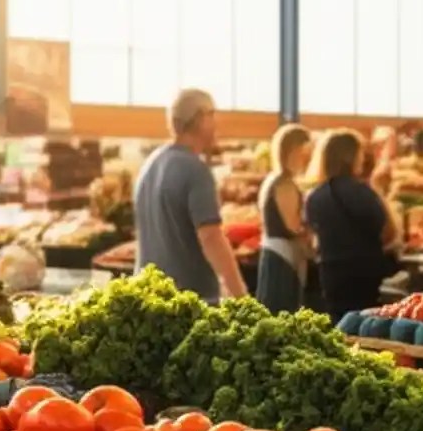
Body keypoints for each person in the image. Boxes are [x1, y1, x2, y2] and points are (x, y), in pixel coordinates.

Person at [134, 89, 246, 302]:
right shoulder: (195, 170)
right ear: (201, 118)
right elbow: (211, 237)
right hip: (187, 302)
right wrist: (241, 295)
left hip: (147, 296)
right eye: (213, 115)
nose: (216, 125)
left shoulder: (149, 165)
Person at [304, 129, 400, 322]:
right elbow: (389, 233)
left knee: (339, 326)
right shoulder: (363, 192)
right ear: (350, 157)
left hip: (331, 274)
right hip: (364, 275)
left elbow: (311, 237)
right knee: (366, 328)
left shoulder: (314, 196)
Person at [255, 124, 313, 313]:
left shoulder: (274, 180)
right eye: (305, 151)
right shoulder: (284, 184)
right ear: (293, 150)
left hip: (276, 254)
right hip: (283, 258)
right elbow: (293, 225)